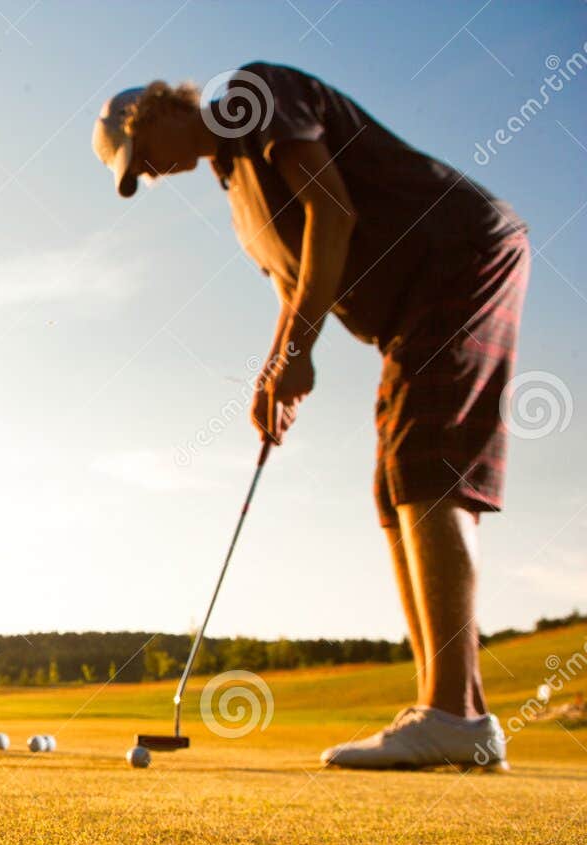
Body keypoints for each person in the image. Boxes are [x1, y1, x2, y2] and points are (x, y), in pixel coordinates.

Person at [92, 63, 529, 769]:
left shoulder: (247, 94)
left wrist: (301, 351)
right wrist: (277, 371)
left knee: (428, 467)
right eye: (138, 172)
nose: (152, 172)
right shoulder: (235, 190)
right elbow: (294, 286)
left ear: (159, 111)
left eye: (143, 156)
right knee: (395, 484)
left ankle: (454, 713)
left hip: (460, 255)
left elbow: (334, 210)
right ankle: (454, 712)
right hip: (406, 312)